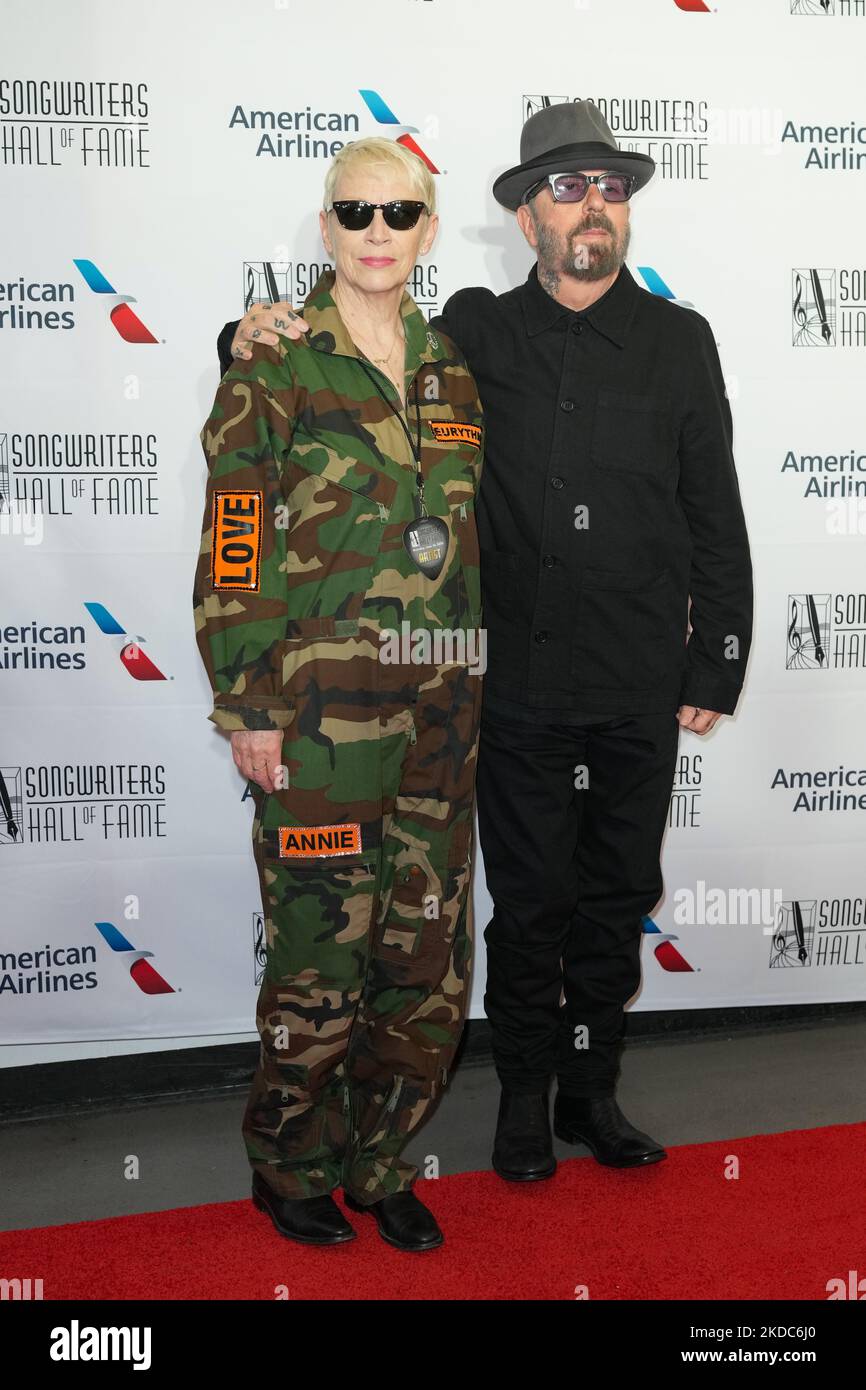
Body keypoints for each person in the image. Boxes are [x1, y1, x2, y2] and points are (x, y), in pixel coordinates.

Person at [218, 102, 753, 1185]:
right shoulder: (472, 328)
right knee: (528, 898)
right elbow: (353, 350)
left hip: (641, 676)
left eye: (607, 185)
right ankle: (519, 1099)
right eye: (566, 188)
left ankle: (589, 1092)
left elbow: (715, 509)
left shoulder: (680, 339)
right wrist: (239, 337)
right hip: (507, 683)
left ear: (626, 206)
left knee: (615, 894)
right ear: (524, 217)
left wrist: (717, 660)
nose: (590, 204)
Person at [193, 135, 484, 1251]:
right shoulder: (273, 363)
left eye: (397, 215)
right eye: (353, 213)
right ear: (323, 228)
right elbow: (234, 545)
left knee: (424, 956)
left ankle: (378, 1158)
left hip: (441, 720)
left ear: (426, 231)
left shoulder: (449, 369)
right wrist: (249, 704)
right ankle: (288, 1162)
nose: (375, 233)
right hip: (317, 724)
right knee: (322, 958)